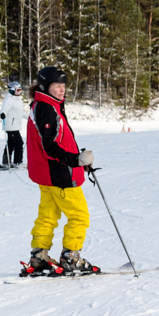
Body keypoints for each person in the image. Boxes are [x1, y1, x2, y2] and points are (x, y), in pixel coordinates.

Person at [24, 65, 99, 275]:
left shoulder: (45, 105)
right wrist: (75, 160)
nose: (62, 89)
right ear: (44, 86)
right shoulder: (47, 108)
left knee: (48, 215)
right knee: (79, 216)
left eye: (63, 85)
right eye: (57, 85)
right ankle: (71, 257)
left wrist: (79, 159)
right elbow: (51, 147)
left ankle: (39, 256)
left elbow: (59, 140)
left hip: (48, 175)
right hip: (59, 175)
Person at [0, 80, 28, 171]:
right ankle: (18, 162)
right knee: (19, 143)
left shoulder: (18, 100)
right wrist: (3, 114)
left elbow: (20, 112)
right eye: (17, 90)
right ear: (12, 90)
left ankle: (6, 162)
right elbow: (4, 109)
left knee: (11, 143)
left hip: (15, 125)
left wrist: (31, 117)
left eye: (20, 90)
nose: (19, 92)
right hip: (10, 125)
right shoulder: (9, 99)